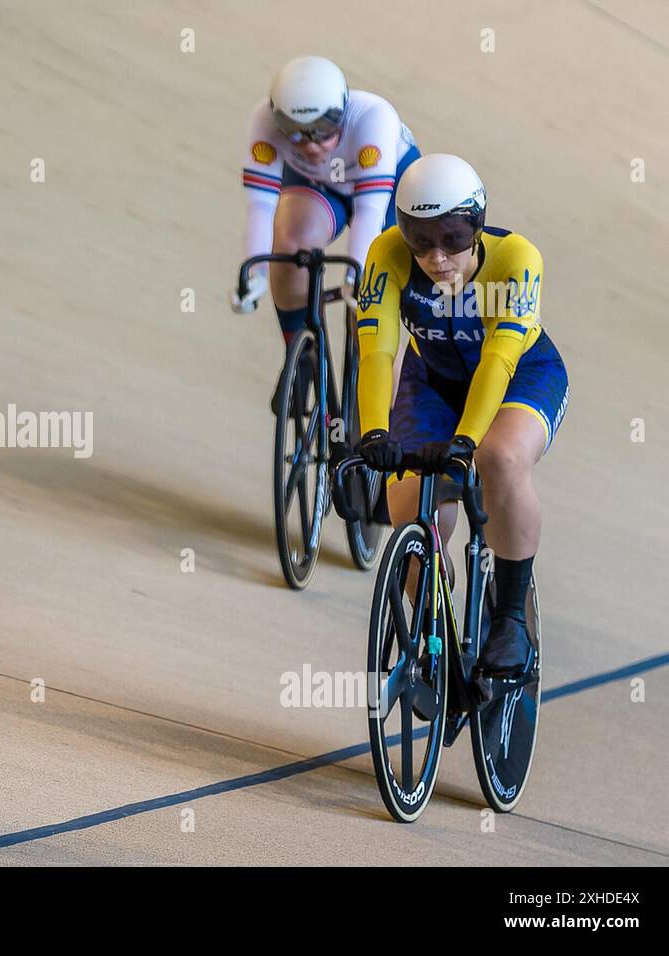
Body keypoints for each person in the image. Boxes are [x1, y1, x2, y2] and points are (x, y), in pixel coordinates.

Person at [354, 154, 568, 677]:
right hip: (432, 381)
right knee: (407, 498)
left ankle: (512, 619)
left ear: (475, 225)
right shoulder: (386, 255)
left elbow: (497, 359)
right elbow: (377, 351)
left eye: (451, 238)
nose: (436, 256)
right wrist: (374, 432)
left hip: (521, 373)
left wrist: (467, 441)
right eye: (420, 239)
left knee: (499, 456)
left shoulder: (516, 258)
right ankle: (435, 633)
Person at [233, 55, 421, 405]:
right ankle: (301, 354)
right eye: (294, 133)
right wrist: (255, 273)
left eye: (322, 129)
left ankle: (381, 422)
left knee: (371, 311)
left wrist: (359, 280)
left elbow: (370, 211)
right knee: (289, 245)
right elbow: (261, 206)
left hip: (386, 190)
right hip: (321, 187)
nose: (310, 145)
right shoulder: (263, 120)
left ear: (342, 111)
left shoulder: (373, 117)